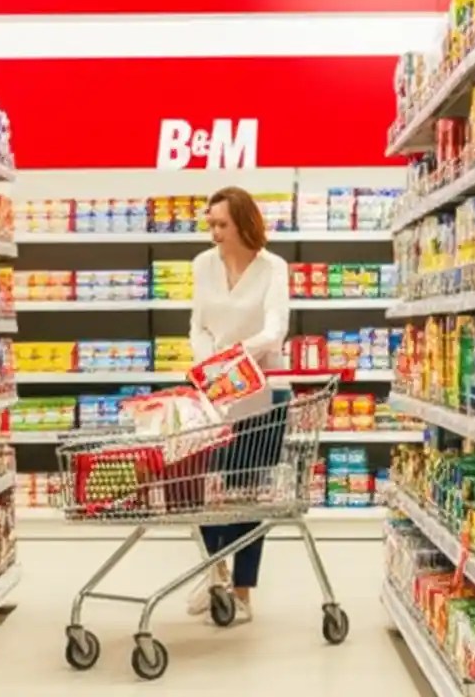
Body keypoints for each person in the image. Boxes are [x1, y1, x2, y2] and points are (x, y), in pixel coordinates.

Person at [185, 186, 291, 624]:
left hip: (264, 389)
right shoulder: (202, 265)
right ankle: (216, 572)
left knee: (247, 492)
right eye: (210, 223)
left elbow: (275, 330)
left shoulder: (273, 268)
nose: (213, 231)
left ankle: (243, 593)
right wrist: (207, 362)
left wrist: (233, 357)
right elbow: (196, 324)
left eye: (221, 224)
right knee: (203, 486)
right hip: (214, 391)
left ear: (244, 224)